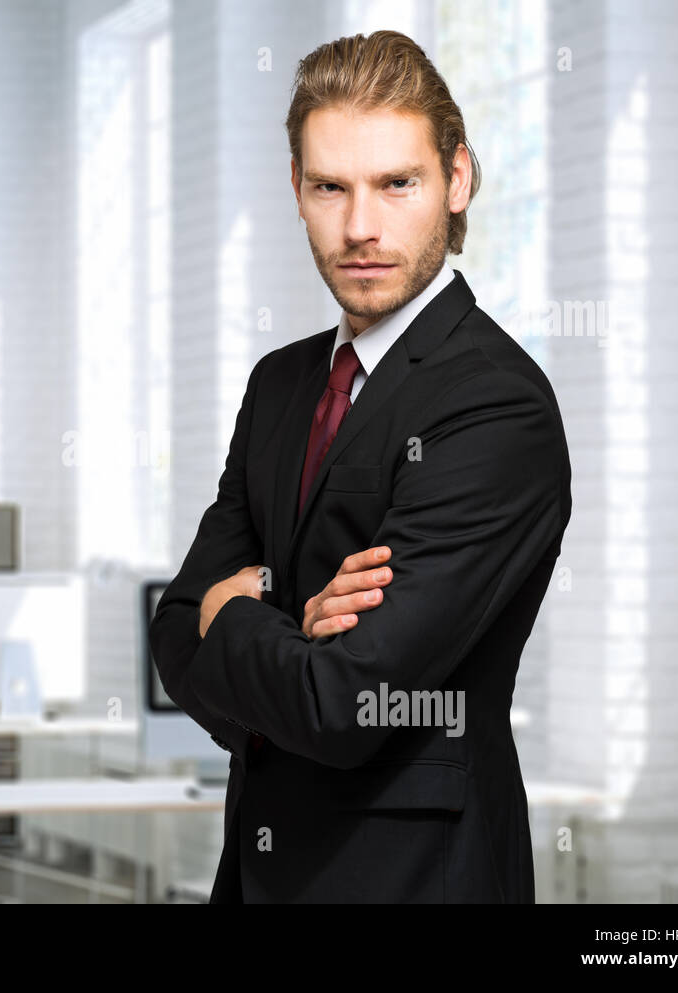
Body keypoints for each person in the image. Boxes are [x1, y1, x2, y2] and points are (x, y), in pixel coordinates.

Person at [148, 29, 571, 903]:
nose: (361, 227)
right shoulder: (281, 385)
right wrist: (289, 629)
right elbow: (172, 628)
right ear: (295, 190)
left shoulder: (496, 407)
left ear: (457, 180)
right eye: (329, 187)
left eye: (397, 184)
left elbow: (346, 702)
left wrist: (241, 611)